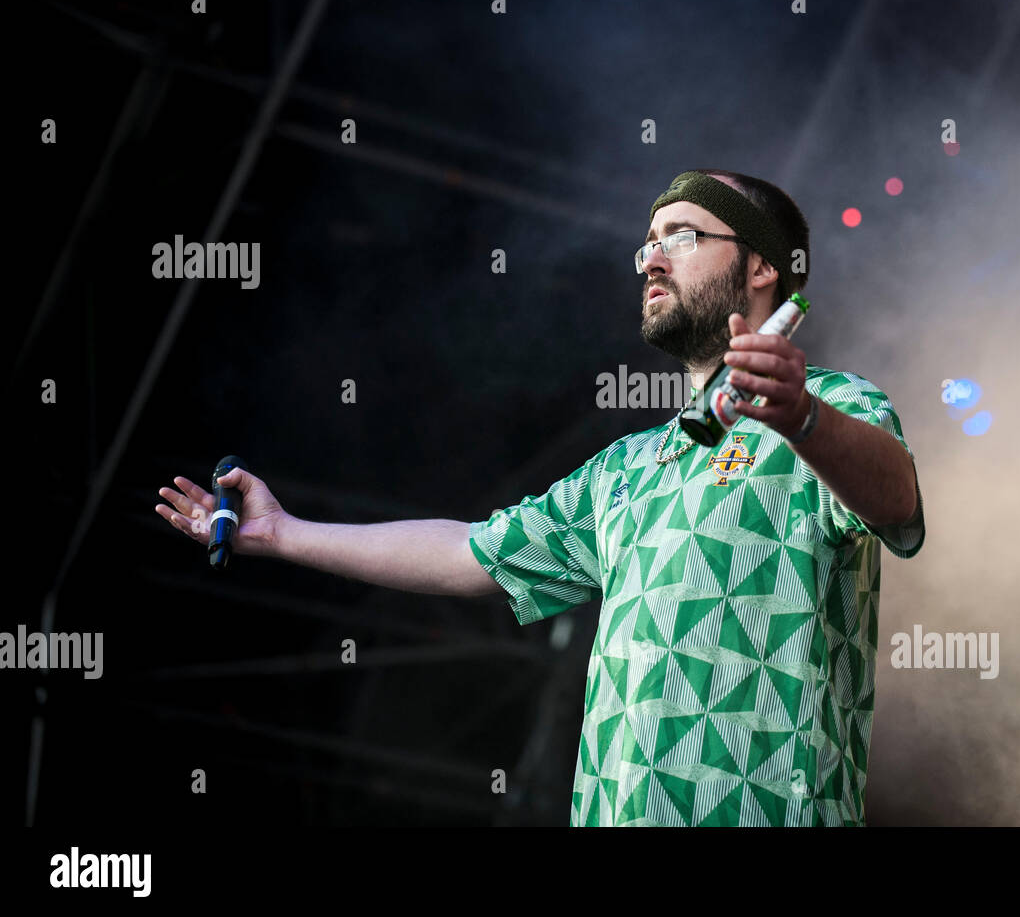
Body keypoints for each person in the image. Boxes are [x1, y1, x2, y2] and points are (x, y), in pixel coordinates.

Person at [156, 169, 925, 826]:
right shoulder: (630, 466)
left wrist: (801, 418)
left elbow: (898, 504)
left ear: (761, 267)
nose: (651, 258)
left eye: (681, 235)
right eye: (646, 241)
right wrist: (285, 534)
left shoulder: (835, 402)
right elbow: (471, 552)